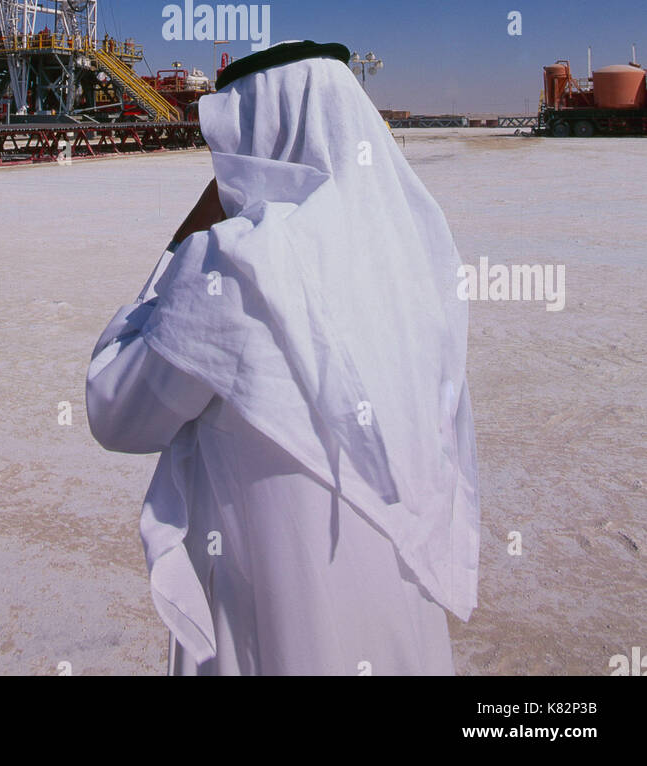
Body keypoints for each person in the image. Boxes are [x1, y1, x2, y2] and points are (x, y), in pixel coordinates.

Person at [86, 39, 479, 675]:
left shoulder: (233, 269)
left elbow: (114, 408)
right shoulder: (412, 266)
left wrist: (190, 233)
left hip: (274, 630)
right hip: (398, 627)